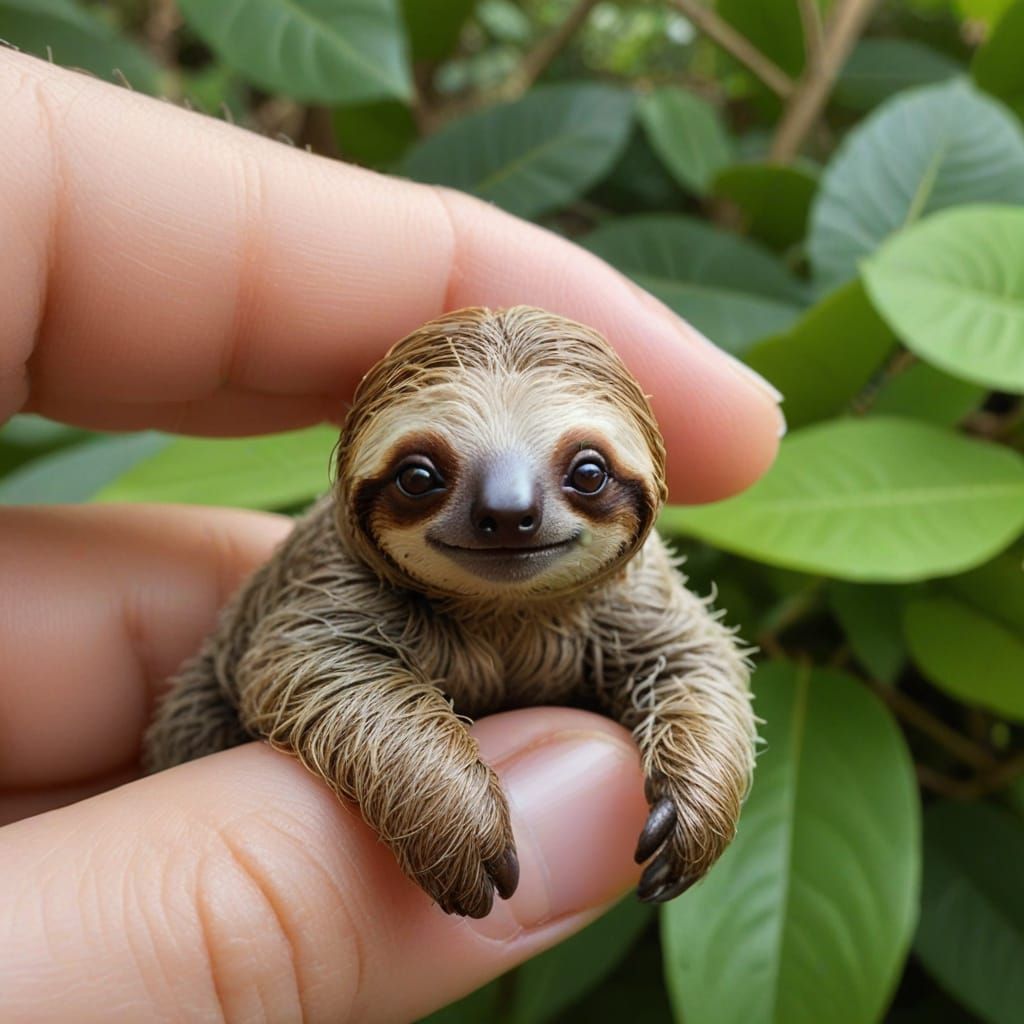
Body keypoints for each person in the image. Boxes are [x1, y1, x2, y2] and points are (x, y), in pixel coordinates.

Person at [0, 49, 784, 1023]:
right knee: (219, 721)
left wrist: (699, 773)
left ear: (646, 494)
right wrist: (432, 792)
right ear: (360, 496)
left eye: (581, 475)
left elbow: (695, 669)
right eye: (424, 478)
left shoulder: (637, 590)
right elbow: (300, 668)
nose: (507, 508)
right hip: (210, 787)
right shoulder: (342, 585)